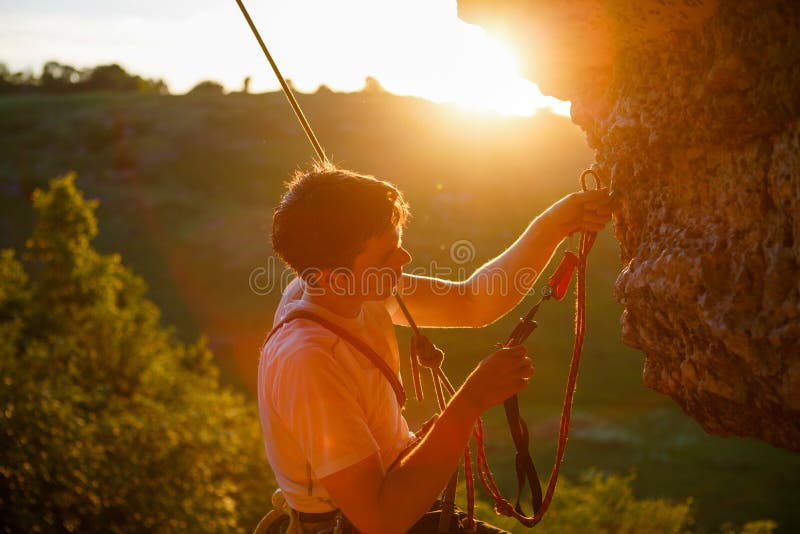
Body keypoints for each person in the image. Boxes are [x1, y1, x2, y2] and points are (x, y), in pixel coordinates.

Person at [258, 162, 613, 534]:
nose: (404, 260)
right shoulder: (308, 360)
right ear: (333, 276)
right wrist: (470, 400)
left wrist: (555, 224)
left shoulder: (346, 291)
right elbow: (381, 520)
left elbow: (472, 301)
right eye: (386, 255)